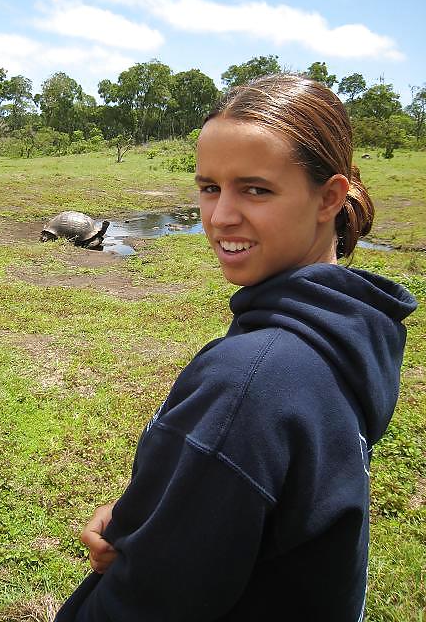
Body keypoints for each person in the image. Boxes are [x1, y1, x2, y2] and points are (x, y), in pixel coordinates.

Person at [54, 74, 417, 621]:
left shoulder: (249, 380)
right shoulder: (350, 331)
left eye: (256, 189)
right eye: (209, 187)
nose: (220, 216)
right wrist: (156, 511)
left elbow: (148, 604)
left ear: (330, 197)